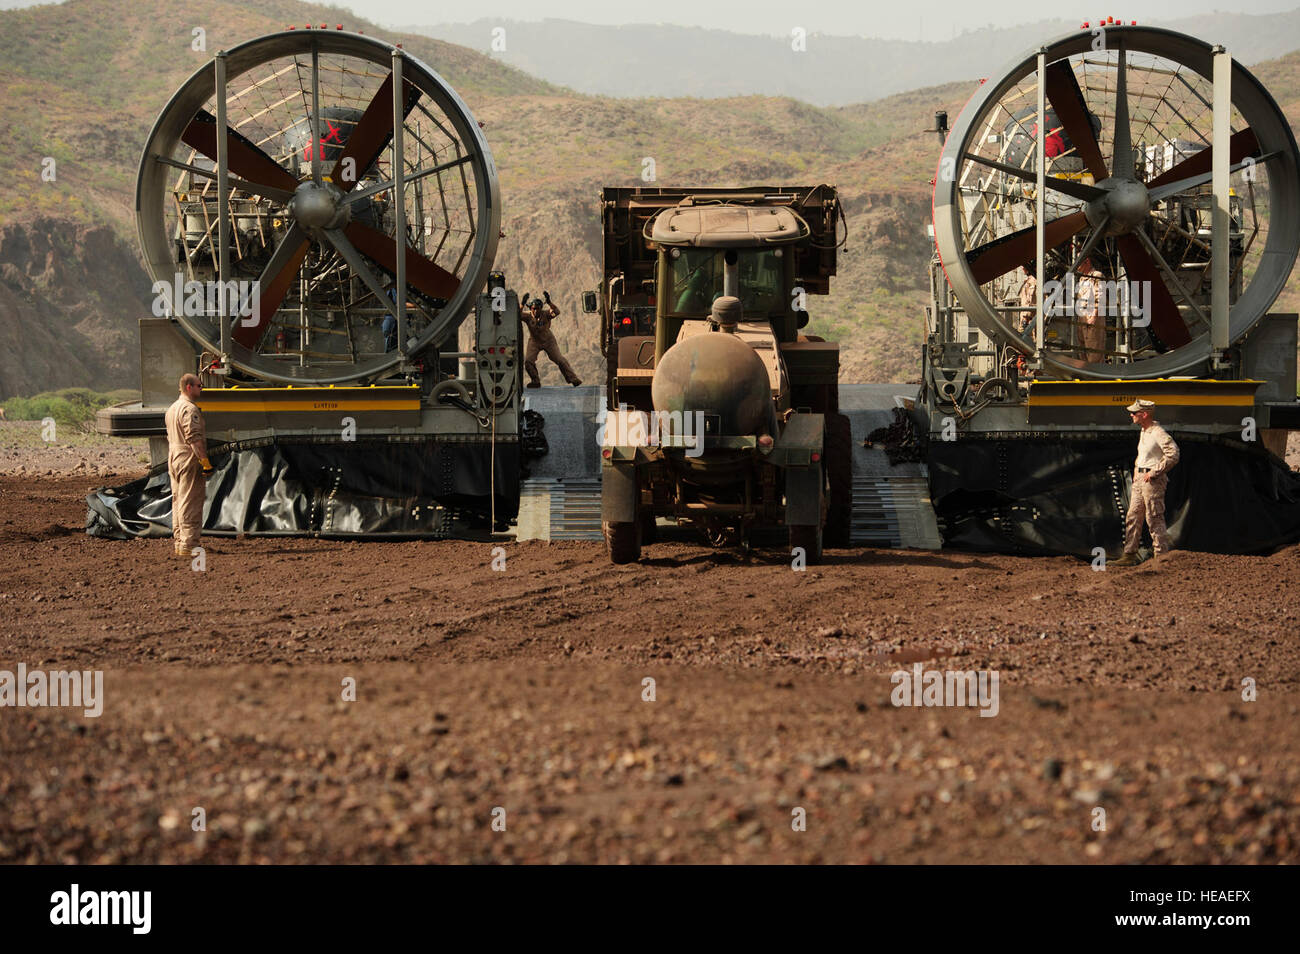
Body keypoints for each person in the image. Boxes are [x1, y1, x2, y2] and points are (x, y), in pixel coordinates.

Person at [1112, 399, 1179, 566]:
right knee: (1133, 516)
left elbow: (1173, 454)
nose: (1131, 415)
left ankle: (1160, 557)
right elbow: (1143, 456)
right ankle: (1129, 555)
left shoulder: (1158, 432)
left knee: (1154, 518)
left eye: (1134, 413)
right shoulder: (1145, 432)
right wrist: (1137, 472)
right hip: (1141, 480)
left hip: (1152, 482)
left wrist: (1154, 472)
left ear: (1144, 414)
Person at [164, 373, 212, 558]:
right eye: (199, 386)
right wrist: (204, 461)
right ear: (189, 387)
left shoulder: (172, 408)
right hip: (188, 456)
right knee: (190, 500)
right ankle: (189, 544)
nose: (202, 389)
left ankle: (180, 542)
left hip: (174, 455)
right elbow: (193, 438)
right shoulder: (189, 409)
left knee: (177, 500)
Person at [522, 291, 582, 388]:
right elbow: (517, 314)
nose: (536, 311)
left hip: (548, 341)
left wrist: (549, 302)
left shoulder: (546, 314)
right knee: (528, 361)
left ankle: (573, 379)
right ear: (531, 308)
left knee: (559, 359)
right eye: (534, 309)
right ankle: (535, 381)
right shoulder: (528, 316)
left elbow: (556, 311)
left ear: (541, 308)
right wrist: (522, 303)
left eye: (538, 309)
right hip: (534, 341)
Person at [1076, 258, 1106, 364]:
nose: (1077, 265)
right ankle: (1087, 378)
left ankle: (1096, 378)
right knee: (1083, 351)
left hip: (1092, 319)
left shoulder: (1096, 276)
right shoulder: (1082, 279)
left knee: (1094, 351)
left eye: (1079, 262)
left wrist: (1094, 316)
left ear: (1087, 261)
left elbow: (1100, 297)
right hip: (1082, 319)